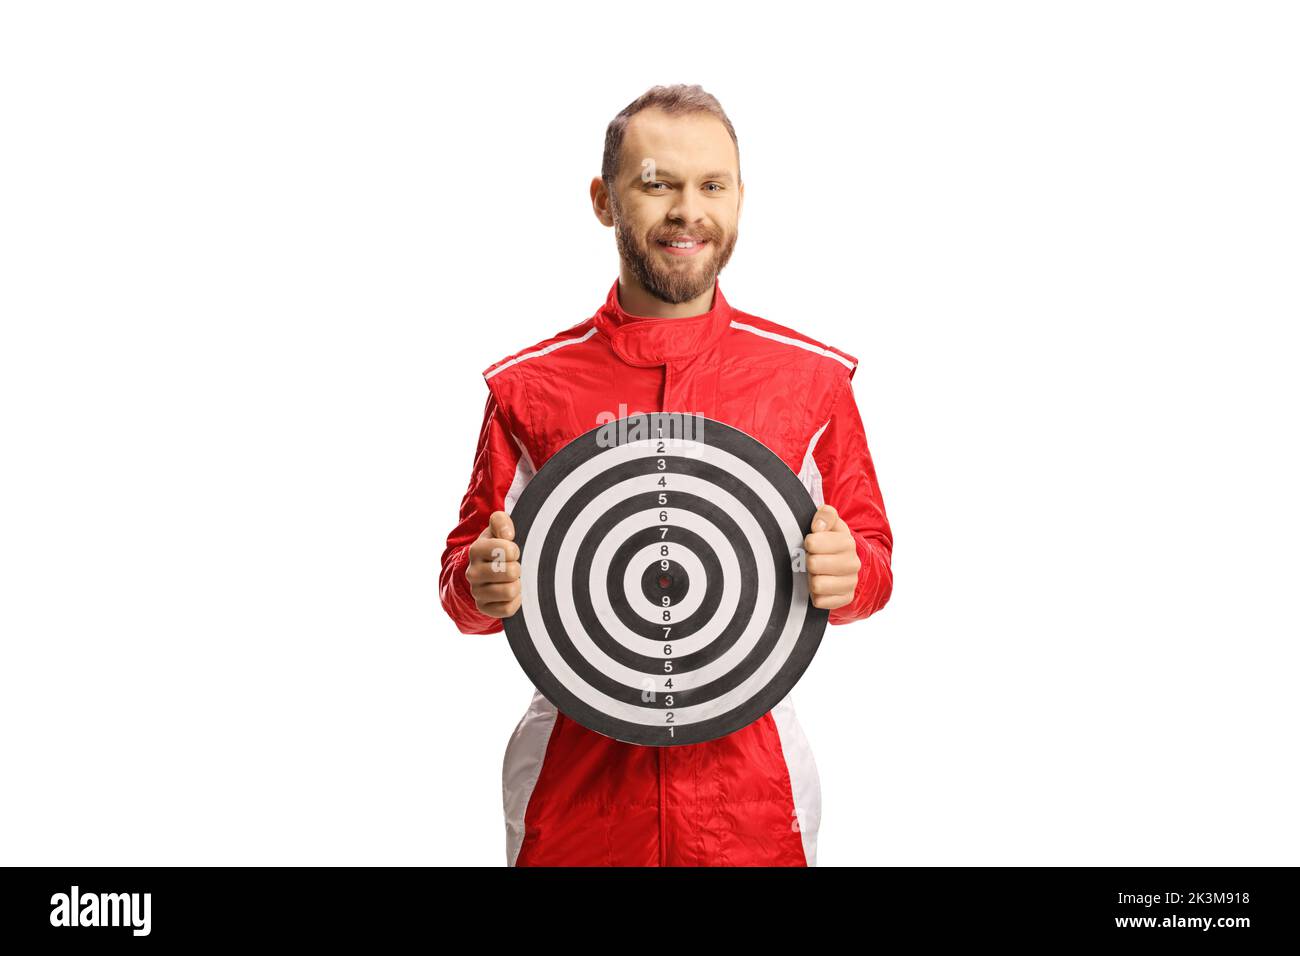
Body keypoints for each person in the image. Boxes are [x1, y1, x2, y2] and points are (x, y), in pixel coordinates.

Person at [438, 84, 893, 866]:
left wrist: (848, 574)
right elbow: (463, 590)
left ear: (741, 197)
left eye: (712, 185)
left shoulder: (811, 381)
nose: (689, 210)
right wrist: (479, 584)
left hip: (753, 803)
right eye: (657, 184)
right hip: (575, 800)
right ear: (604, 200)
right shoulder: (527, 388)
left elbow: (873, 568)